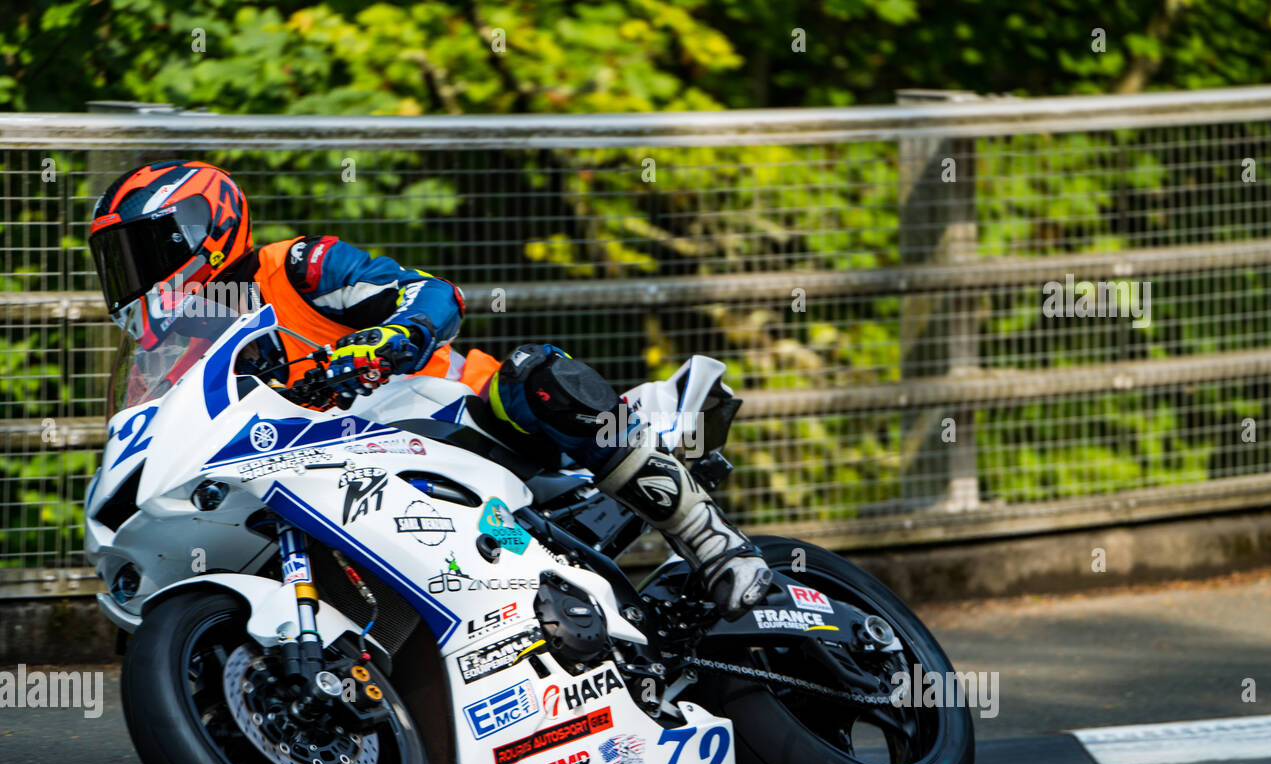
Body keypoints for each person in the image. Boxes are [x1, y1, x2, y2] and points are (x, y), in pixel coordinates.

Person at [88, 159, 771, 615]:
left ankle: (713, 544)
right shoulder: (182, 366)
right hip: (342, 488)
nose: (132, 278)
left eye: (141, 254)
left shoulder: (293, 267)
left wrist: (385, 340)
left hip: (465, 426)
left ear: (202, 230)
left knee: (537, 373)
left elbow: (431, 294)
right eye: (117, 264)